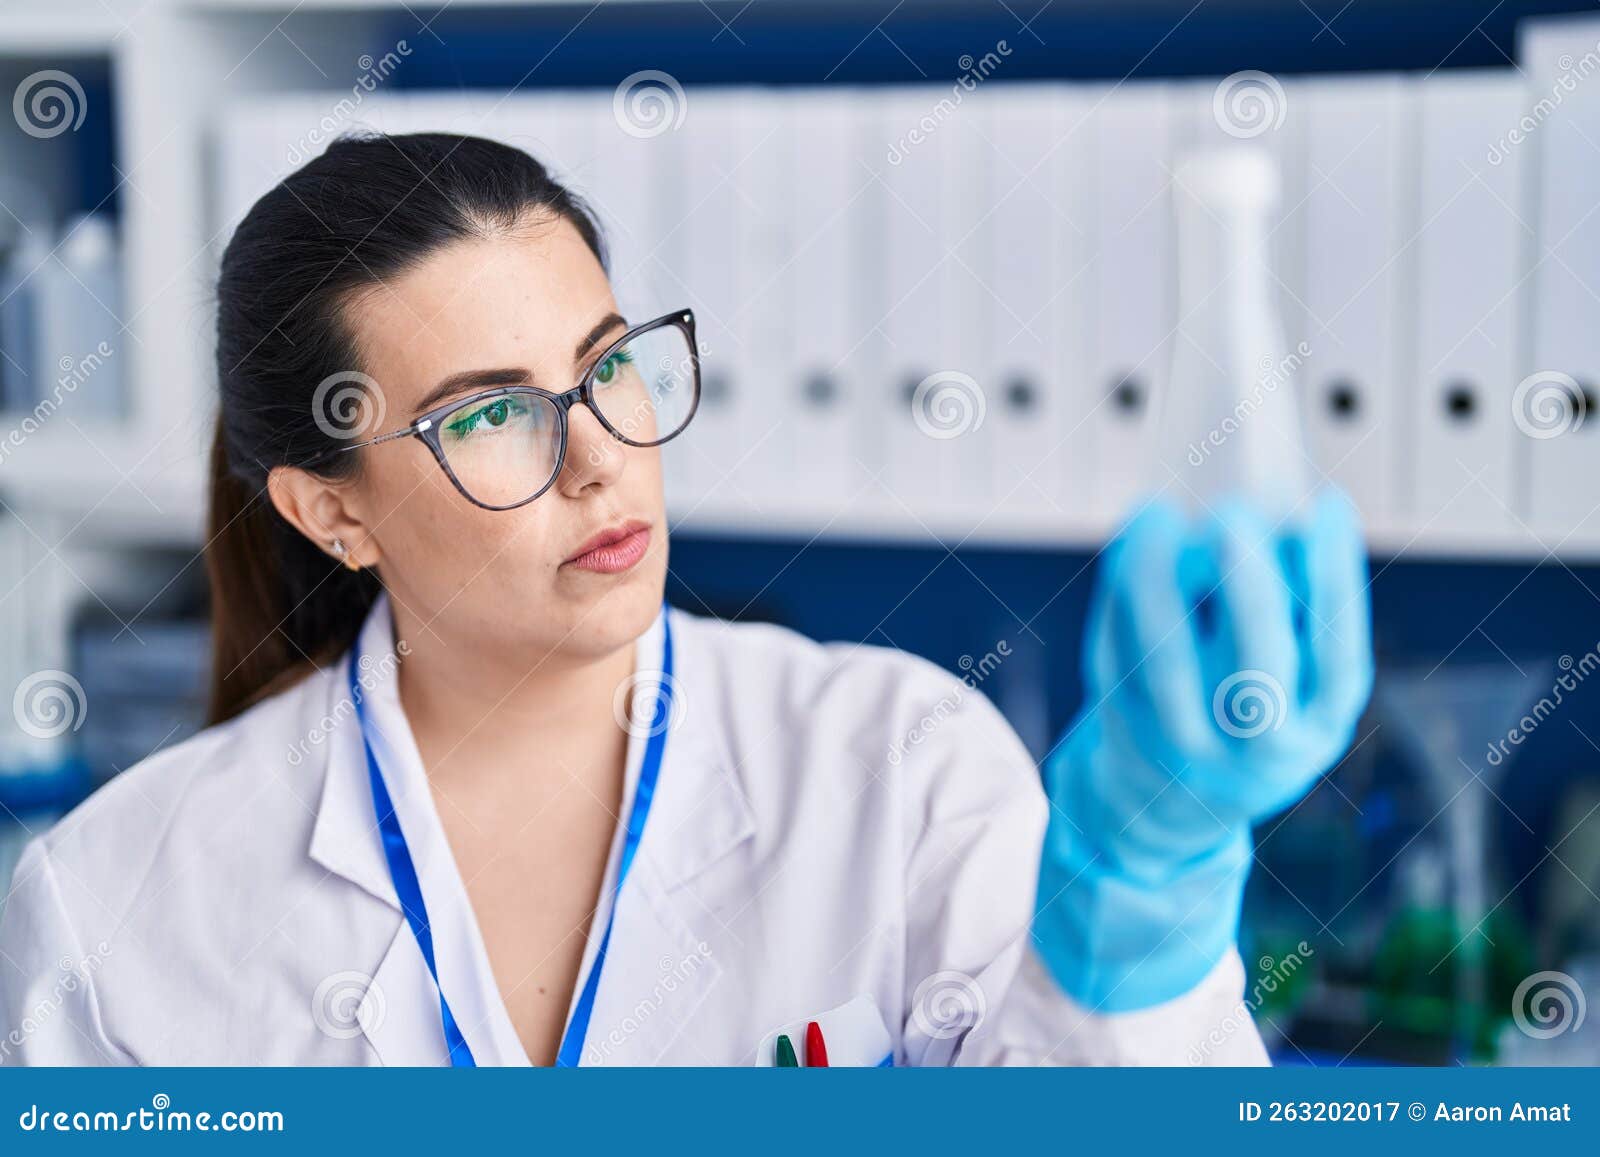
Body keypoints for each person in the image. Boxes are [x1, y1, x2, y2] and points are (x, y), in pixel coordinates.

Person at [0, 132, 1372, 1066]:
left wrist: (1143, 888)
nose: (602, 458)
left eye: (611, 367)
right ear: (332, 509)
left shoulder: (896, 766)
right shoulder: (115, 902)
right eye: (489, 417)